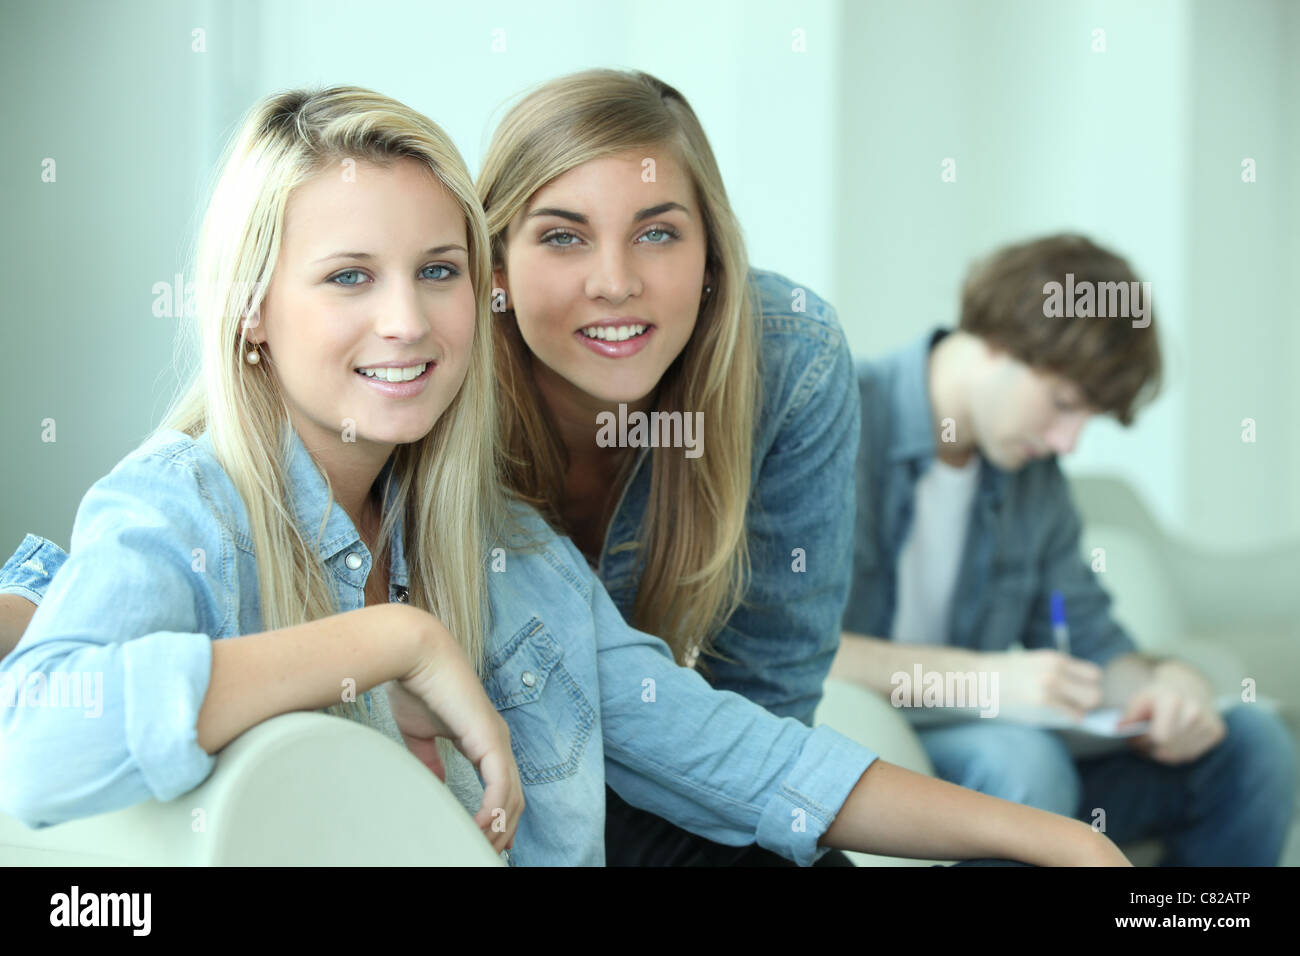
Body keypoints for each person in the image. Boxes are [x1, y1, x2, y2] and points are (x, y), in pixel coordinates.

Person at [0, 88, 1129, 867]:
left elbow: (732, 749)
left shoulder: (506, 552)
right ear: (251, 308)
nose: (405, 318)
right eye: (347, 275)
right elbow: (38, 746)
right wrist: (390, 640)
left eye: (435, 269)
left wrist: (1048, 836)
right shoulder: (178, 508)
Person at [478, 69, 861, 865]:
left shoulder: (789, 361)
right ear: (497, 270)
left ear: (712, 255)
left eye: (656, 233)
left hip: (667, 776)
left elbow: (765, 703)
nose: (616, 282)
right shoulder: (435, 378)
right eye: (562, 235)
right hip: (479, 798)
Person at [832, 234, 1296, 865]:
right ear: (999, 341)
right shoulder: (837, 419)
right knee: (1023, 765)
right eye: (1063, 405)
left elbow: (1094, 642)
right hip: (867, 743)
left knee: (1252, 744)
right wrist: (989, 682)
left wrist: (1167, 685)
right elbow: (787, 650)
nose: (1069, 442)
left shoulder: (1033, 480)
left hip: (1003, 755)